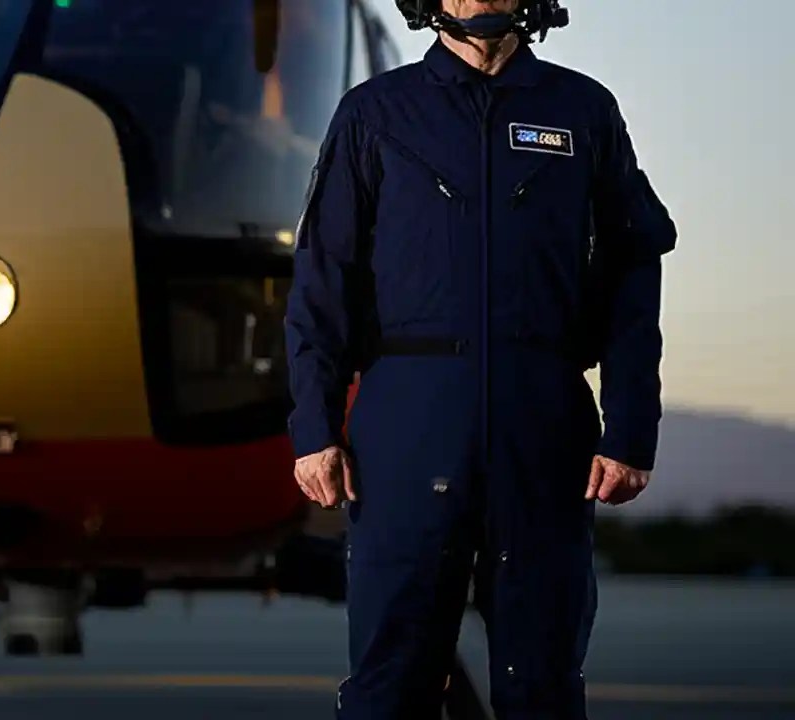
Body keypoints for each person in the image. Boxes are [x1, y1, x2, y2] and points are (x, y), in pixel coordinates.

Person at [283, 1, 677, 717]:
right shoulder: (376, 113)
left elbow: (631, 269)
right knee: (391, 677)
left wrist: (630, 431)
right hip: (408, 417)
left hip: (543, 415)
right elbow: (323, 279)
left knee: (543, 680)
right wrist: (314, 429)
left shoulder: (581, 110)